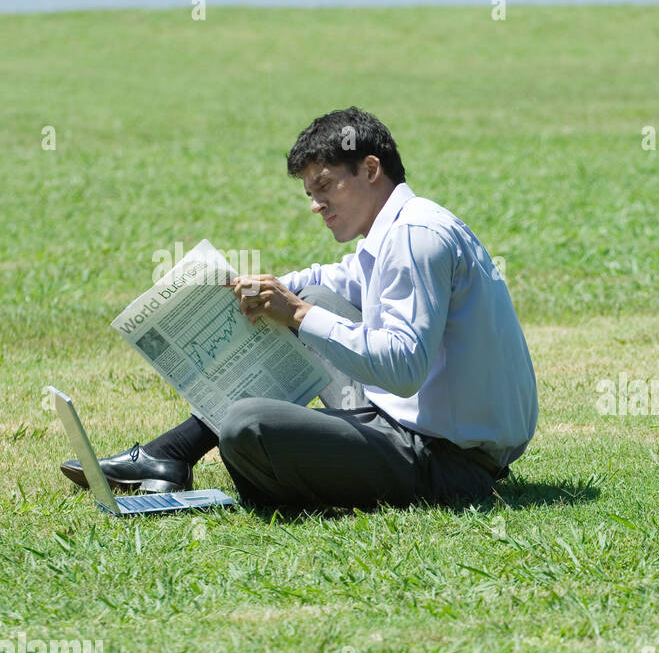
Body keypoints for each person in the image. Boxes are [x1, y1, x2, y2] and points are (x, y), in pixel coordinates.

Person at [59, 107, 538, 511]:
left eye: (325, 186)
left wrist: (298, 316)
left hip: (446, 463)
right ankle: (173, 453)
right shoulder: (406, 225)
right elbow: (331, 281)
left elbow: (403, 366)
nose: (317, 204)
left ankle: (177, 456)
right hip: (426, 432)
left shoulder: (416, 237)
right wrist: (261, 292)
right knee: (311, 302)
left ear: (371, 170)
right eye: (311, 193)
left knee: (247, 425)